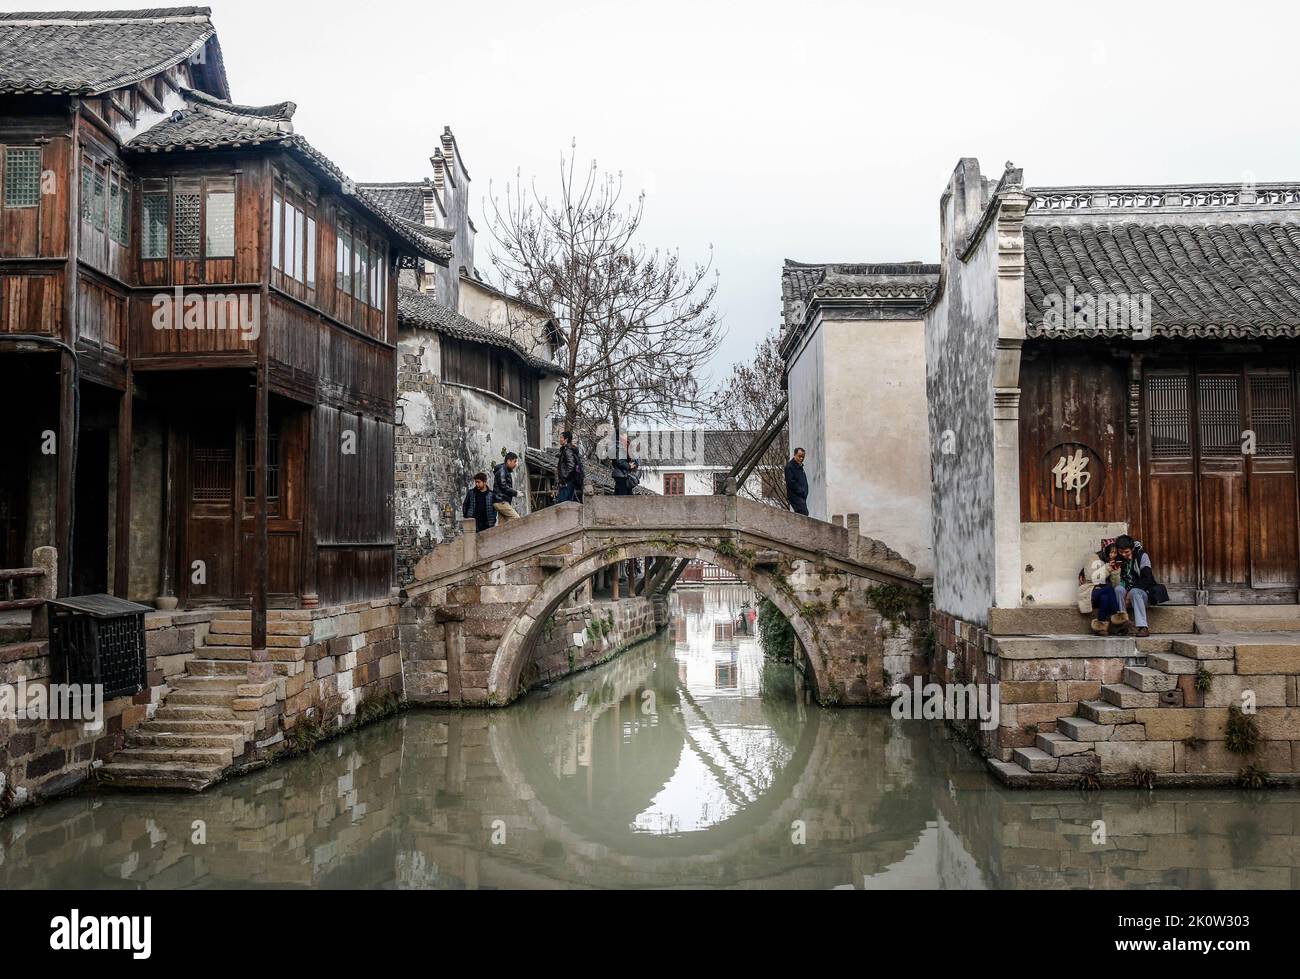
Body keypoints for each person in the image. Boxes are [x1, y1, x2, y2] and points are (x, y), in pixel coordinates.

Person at [1114, 534, 1169, 638]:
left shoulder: (1142, 556)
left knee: (1135, 591)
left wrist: (1130, 593)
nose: (1124, 554)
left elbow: (1147, 578)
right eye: (1121, 552)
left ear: (1132, 549)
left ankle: (1143, 627)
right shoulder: (1119, 559)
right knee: (1118, 589)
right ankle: (1123, 622)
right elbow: (1121, 580)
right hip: (1128, 594)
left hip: (1143, 593)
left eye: (1127, 552)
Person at [1078, 541, 1128, 636]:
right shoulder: (1092, 558)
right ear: (1105, 550)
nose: (1113, 555)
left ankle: (1100, 627)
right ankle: (1117, 620)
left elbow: (1115, 585)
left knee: (1105, 596)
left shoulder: (1112, 562)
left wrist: (1115, 570)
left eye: (1115, 553)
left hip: (1104, 592)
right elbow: (1090, 577)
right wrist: (1108, 567)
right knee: (1108, 588)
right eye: (1111, 552)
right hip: (1089, 592)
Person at [555, 430, 583, 504]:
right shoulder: (566, 450)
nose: (560, 439)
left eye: (561, 438)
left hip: (567, 482)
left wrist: (564, 477)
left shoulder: (568, 451)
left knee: (562, 503)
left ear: (566, 439)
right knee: (568, 502)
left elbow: (571, 465)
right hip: (569, 481)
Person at [493, 452, 521, 520]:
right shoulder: (502, 470)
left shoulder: (505, 470)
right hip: (501, 501)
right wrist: (515, 493)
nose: (516, 464)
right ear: (508, 461)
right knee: (516, 519)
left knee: (503, 527)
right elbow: (503, 486)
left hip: (500, 500)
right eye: (514, 461)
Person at [785, 448, 809, 516]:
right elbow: (791, 482)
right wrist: (801, 491)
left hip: (801, 496)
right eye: (799, 456)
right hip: (795, 495)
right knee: (803, 513)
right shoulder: (790, 467)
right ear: (795, 455)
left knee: (803, 514)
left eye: (803, 457)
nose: (801, 458)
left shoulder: (800, 467)